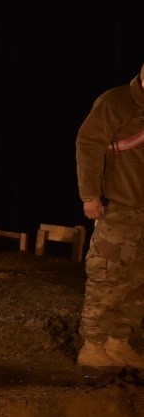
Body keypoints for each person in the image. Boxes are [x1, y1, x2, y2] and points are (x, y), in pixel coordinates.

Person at [74, 62, 144, 368]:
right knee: (107, 277)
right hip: (119, 207)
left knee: (137, 282)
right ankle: (93, 346)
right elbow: (88, 145)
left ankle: (119, 342)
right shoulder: (116, 101)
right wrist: (90, 196)